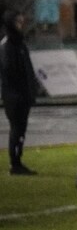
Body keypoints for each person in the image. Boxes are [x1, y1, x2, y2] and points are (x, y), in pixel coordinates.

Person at [1, 9, 39, 175]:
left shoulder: (20, 44)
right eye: (17, 22)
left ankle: (17, 160)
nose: (21, 25)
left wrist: (32, 88)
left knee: (21, 129)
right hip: (14, 96)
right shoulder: (7, 45)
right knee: (17, 128)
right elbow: (10, 71)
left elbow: (27, 70)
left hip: (23, 95)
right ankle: (15, 163)